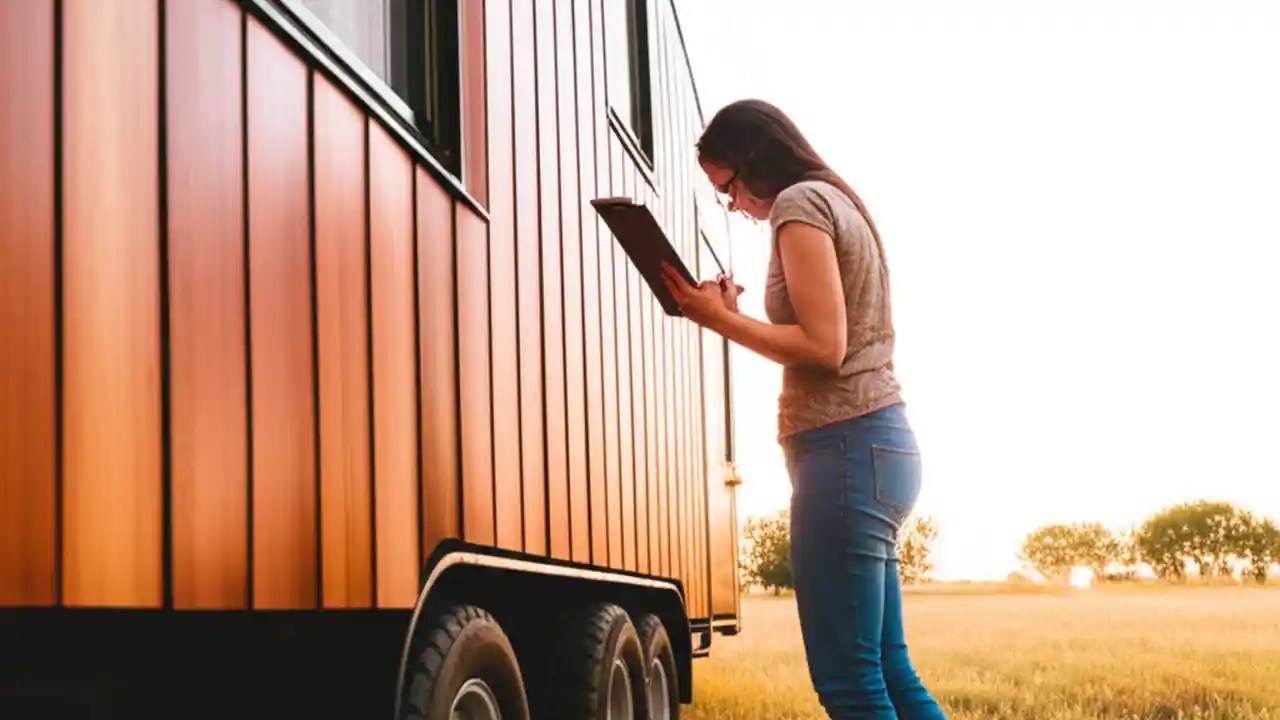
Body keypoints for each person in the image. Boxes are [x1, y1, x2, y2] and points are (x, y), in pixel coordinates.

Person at [660, 99, 948, 720]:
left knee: (850, 684)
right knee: (889, 673)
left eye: (728, 187)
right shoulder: (838, 201)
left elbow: (823, 346)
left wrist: (720, 322)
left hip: (844, 451)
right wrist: (733, 316)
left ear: (756, 160)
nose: (734, 205)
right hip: (877, 447)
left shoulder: (800, 205)